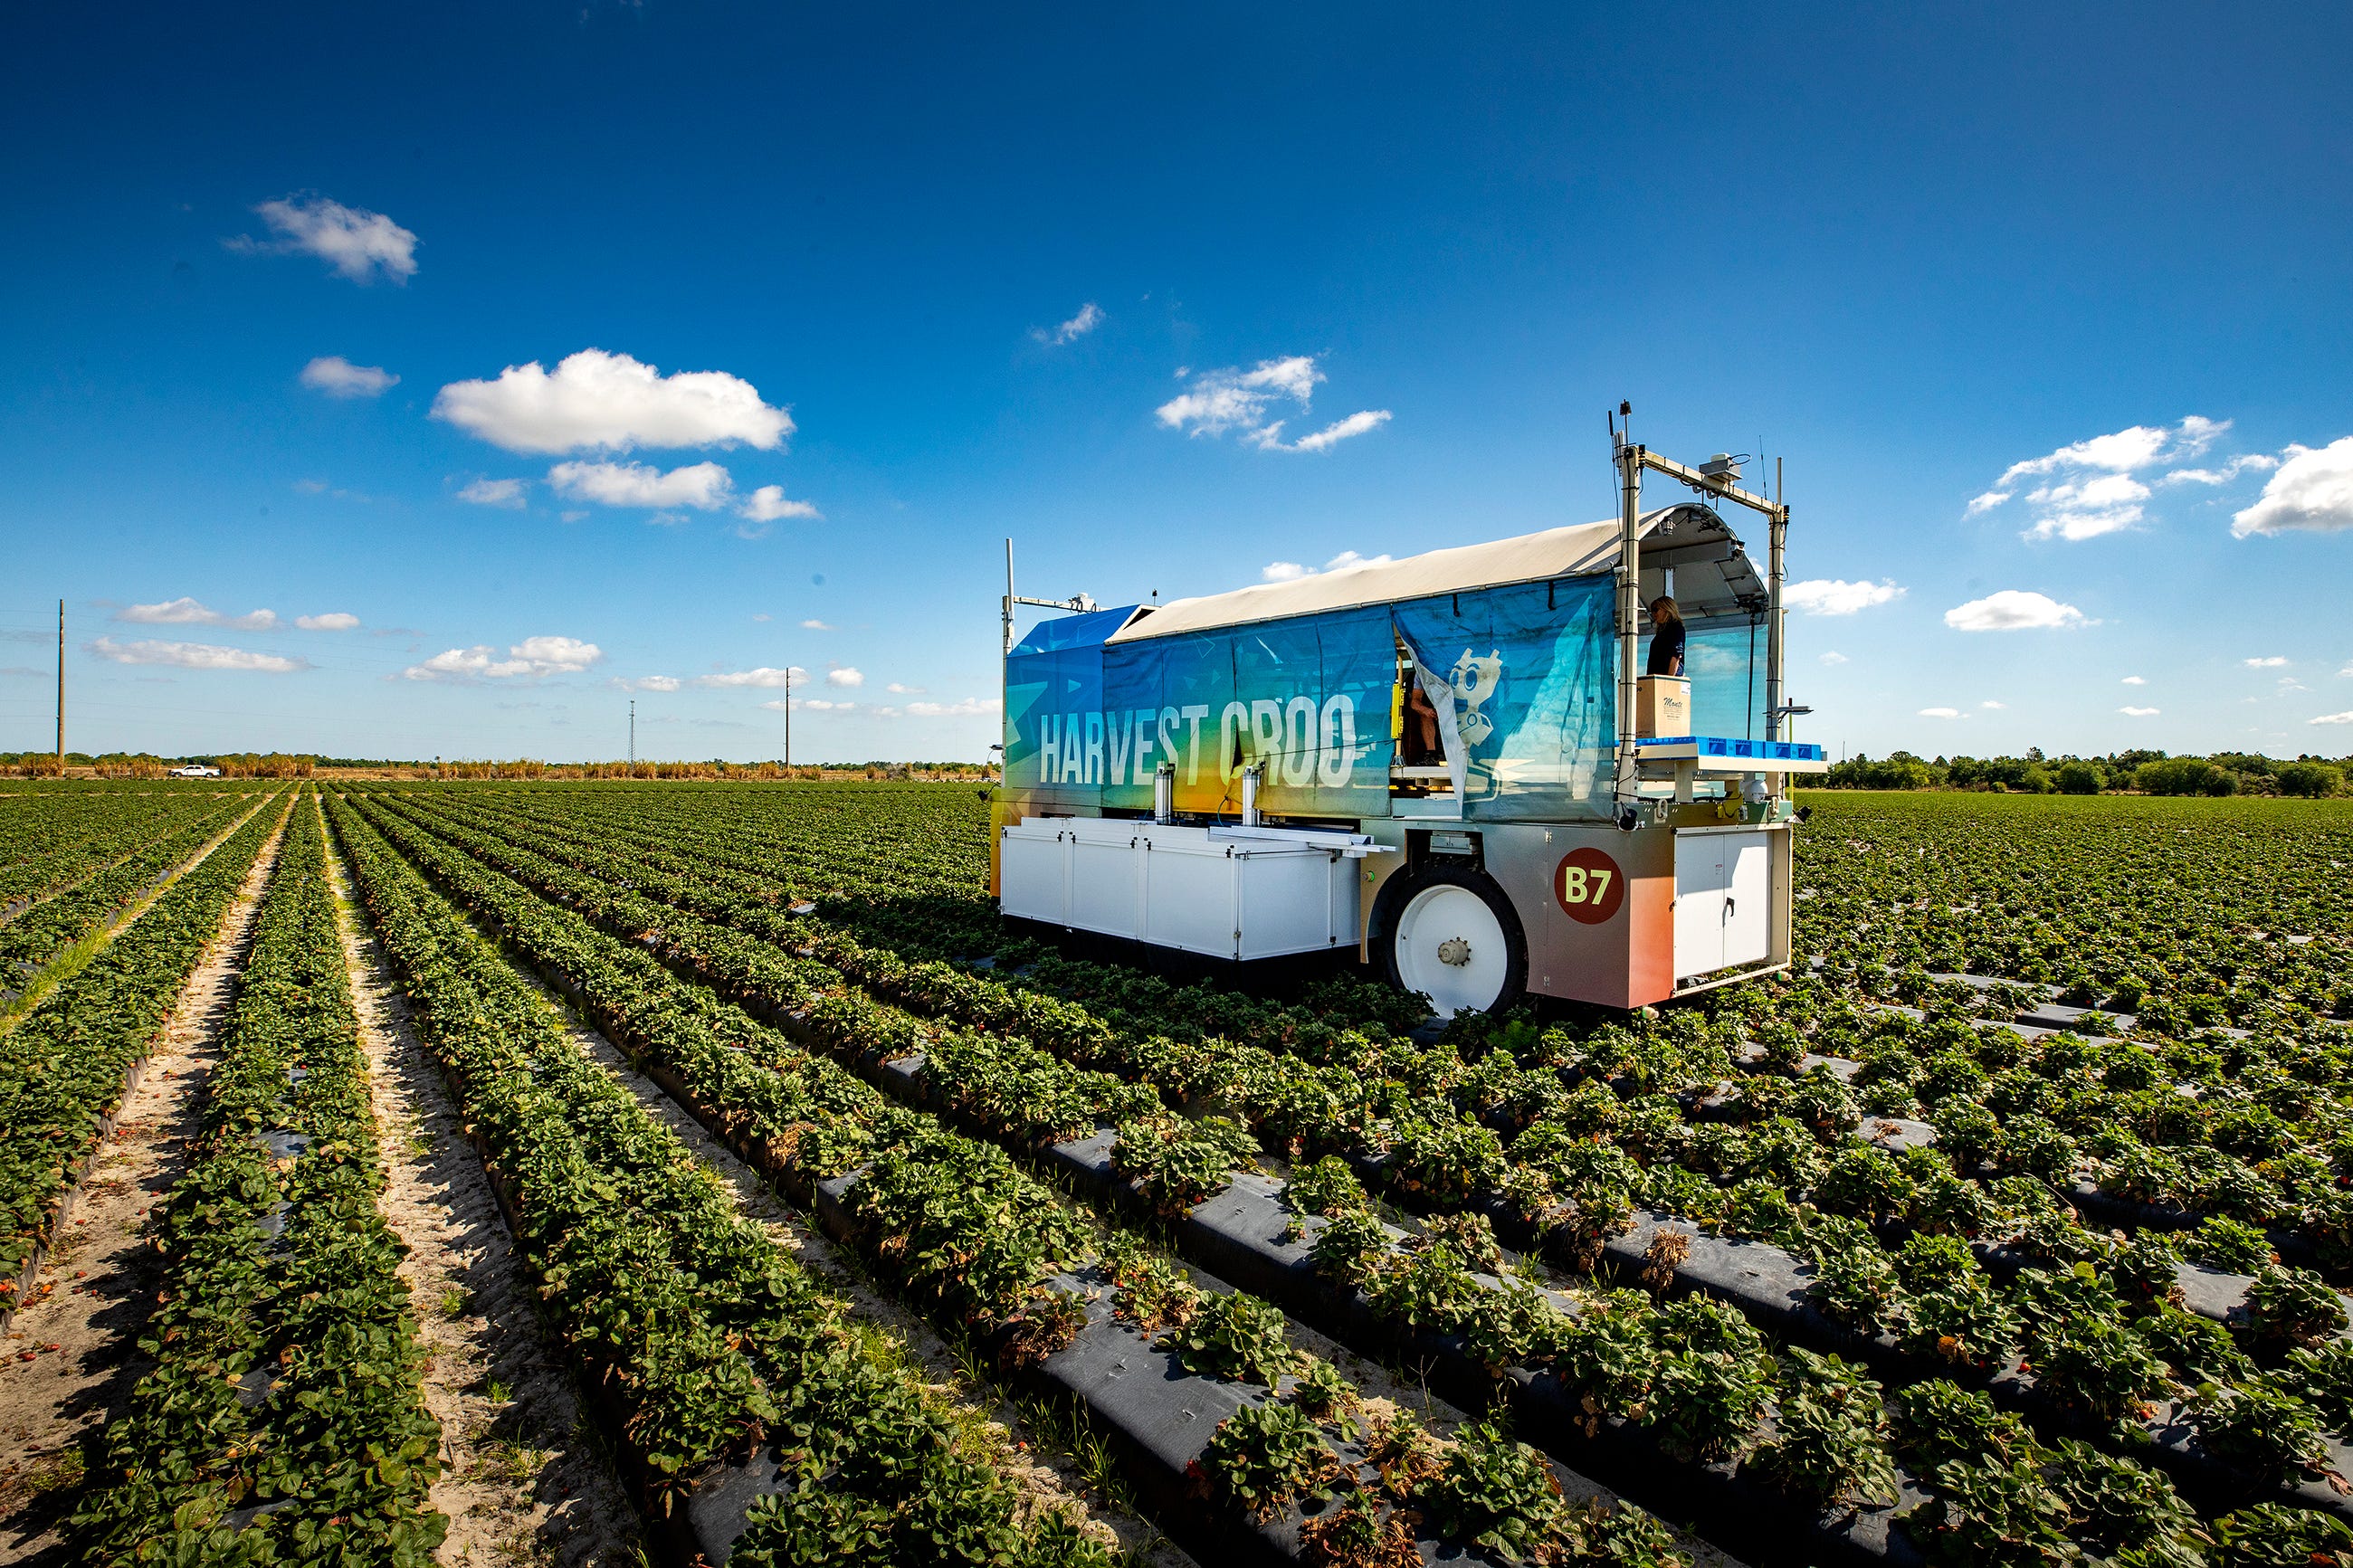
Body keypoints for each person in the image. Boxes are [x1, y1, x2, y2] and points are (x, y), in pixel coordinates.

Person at [1645, 596, 1686, 678]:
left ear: (1667, 609)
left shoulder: (1675, 627)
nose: (1653, 614)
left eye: (1656, 610)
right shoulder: (1662, 631)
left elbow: (1676, 655)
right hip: (1657, 678)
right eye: (1652, 611)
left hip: (1665, 679)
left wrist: (1669, 679)